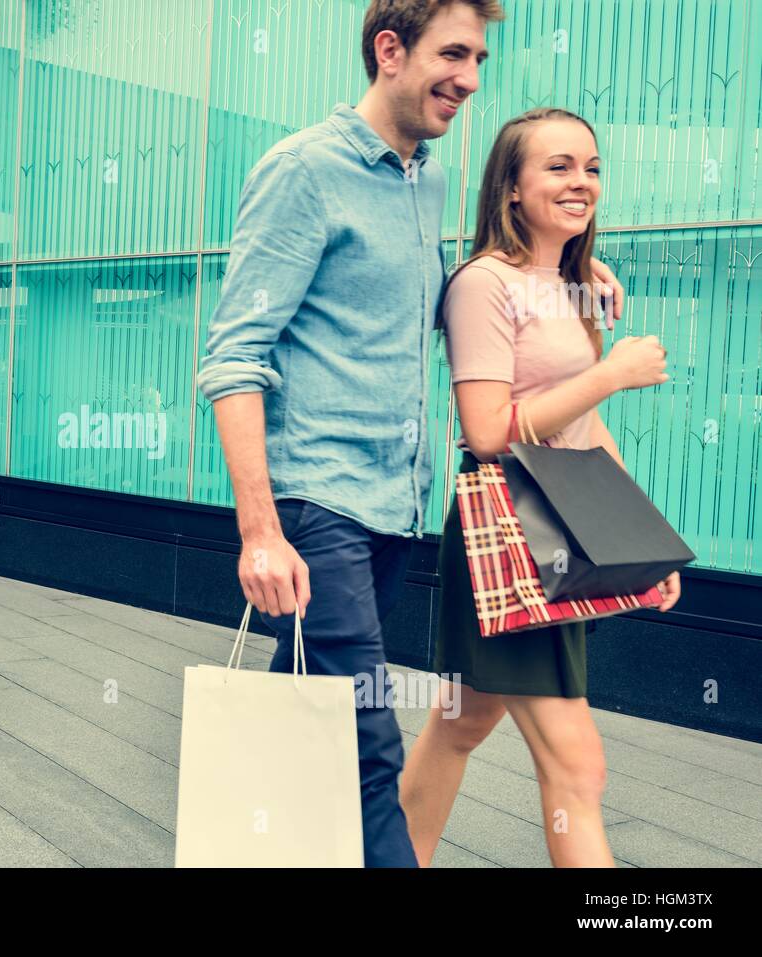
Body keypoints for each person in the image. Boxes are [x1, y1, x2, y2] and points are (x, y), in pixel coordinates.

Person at [196, 0, 631, 867]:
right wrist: (260, 527)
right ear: (389, 50)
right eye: (454, 54)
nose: (471, 78)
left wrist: (565, 274)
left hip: (395, 506)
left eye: (478, 58)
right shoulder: (303, 170)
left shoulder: (420, 176)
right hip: (318, 504)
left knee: (374, 737)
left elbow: (458, 303)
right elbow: (234, 355)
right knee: (366, 744)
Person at [398, 108, 681, 867]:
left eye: (590, 167)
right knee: (578, 763)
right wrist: (610, 375)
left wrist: (642, 540)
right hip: (512, 536)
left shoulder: (569, 286)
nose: (580, 181)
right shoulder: (484, 285)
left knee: (460, 723)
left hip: (556, 537)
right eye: (557, 167)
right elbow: (489, 430)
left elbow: (581, 430)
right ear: (511, 188)